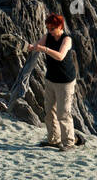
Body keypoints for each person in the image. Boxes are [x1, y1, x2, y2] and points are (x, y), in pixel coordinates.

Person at [26, 13, 78, 150]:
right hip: (51, 79)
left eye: (52, 28)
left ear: (60, 26)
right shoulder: (47, 36)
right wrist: (30, 47)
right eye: (48, 28)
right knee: (49, 112)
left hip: (65, 81)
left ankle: (69, 142)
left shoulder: (66, 39)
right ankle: (53, 140)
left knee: (63, 113)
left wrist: (45, 49)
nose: (50, 31)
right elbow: (36, 45)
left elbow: (60, 56)